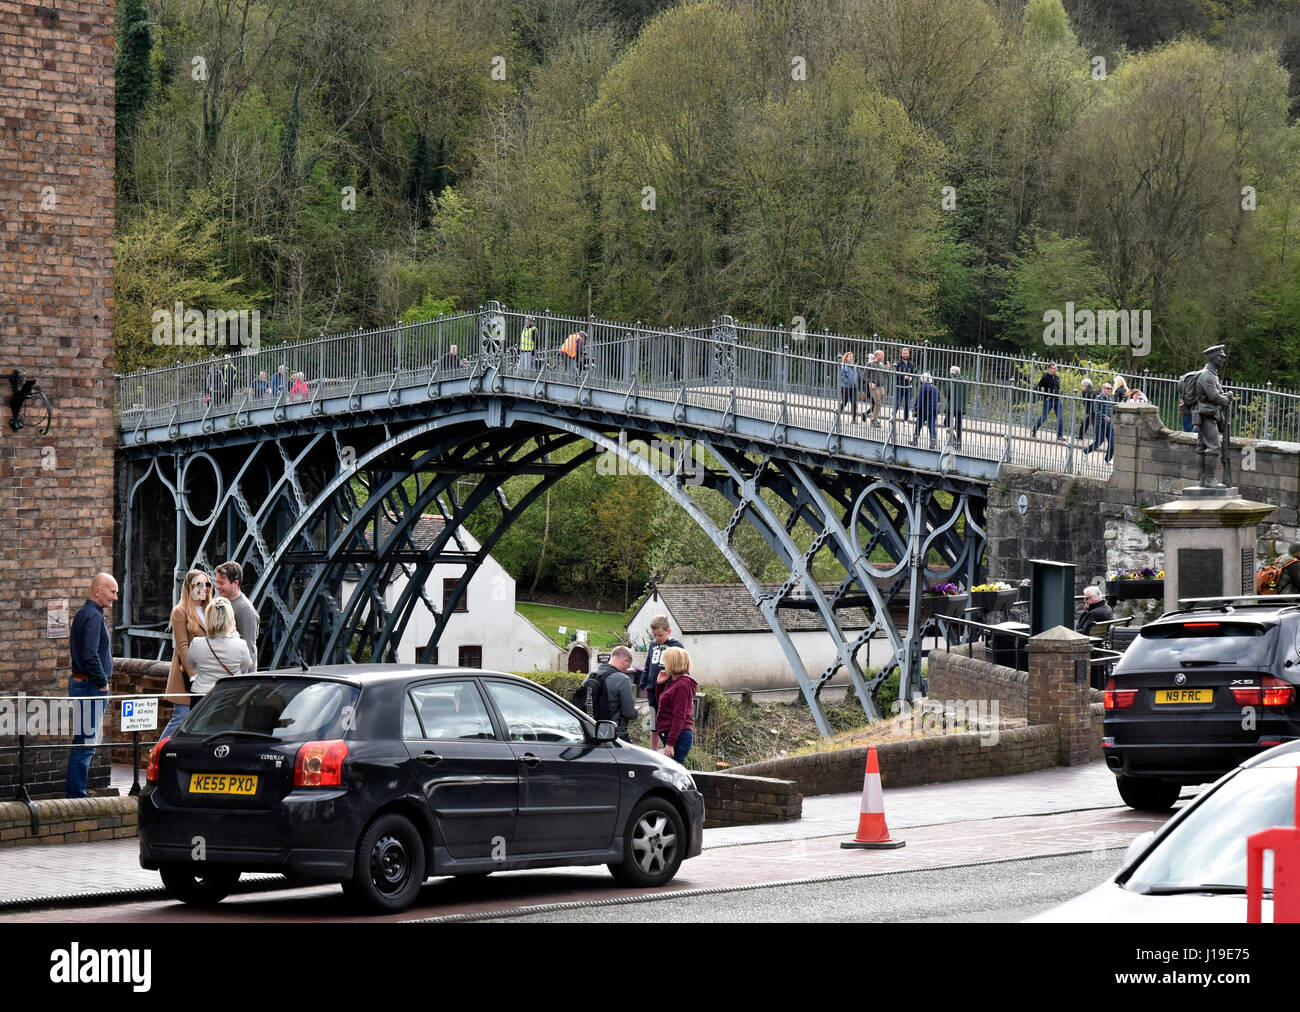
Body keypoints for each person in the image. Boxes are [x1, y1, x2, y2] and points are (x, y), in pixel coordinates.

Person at [66, 573, 117, 798]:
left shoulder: (84, 614)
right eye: (112, 591)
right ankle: (77, 795)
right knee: (85, 745)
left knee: (83, 741)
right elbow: (89, 654)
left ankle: (76, 792)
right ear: (98, 591)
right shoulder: (94, 616)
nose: (115, 597)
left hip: (83, 684)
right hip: (90, 687)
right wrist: (103, 683)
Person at [161, 569, 210, 739]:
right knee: (180, 717)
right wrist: (192, 675)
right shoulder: (180, 611)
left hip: (207, 672)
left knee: (202, 722)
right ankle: (157, 752)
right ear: (189, 587)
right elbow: (182, 646)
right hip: (186, 676)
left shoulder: (210, 609)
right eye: (199, 584)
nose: (204, 588)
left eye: (207, 584)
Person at [187, 597, 254, 698]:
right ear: (231, 619)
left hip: (201, 695)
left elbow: (191, 664)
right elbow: (246, 665)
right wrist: (234, 633)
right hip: (230, 694)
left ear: (208, 619)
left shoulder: (196, 644)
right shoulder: (241, 645)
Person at [1192, 344, 1233, 489]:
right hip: (1206, 415)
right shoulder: (1207, 375)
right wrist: (1227, 398)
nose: (1224, 359)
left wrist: (1224, 396)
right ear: (1213, 357)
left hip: (1209, 414)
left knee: (1203, 446)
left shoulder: (1212, 374)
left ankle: (1204, 480)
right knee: (1213, 447)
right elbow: (1215, 397)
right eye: (1221, 356)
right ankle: (1209, 480)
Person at [638, 615, 684, 735]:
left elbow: (683, 669)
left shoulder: (677, 646)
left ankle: (668, 748)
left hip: (668, 692)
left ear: (668, 632)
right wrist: (644, 685)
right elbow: (648, 665)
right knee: (654, 725)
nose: (657, 638)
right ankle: (654, 751)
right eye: (655, 635)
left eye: (660, 635)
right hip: (653, 691)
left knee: (667, 723)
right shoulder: (653, 645)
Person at [582, 646, 639, 741]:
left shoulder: (591, 676)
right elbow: (629, 713)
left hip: (592, 733)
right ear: (625, 660)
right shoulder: (623, 679)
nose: (626, 671)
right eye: (628, 667)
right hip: (615, 735)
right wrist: (636, 711)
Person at [655, 647, 698, 765]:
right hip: (673, 735)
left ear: (672, 663)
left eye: (666, 661)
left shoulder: (681, 686)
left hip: (678, 737)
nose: (663, 664)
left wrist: (670, 743)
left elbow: (679, 716)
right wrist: (659, 684)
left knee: (674, 774)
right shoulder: (674, 682)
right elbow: (662, 704)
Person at [215, 561, 259, 669]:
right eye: (217, 582)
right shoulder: (221, 602)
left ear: (235, 583)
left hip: (238, 678)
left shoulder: (245, 609)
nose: (217, 587)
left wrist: (239, 680)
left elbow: (248, 650)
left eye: (221, 583)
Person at [1031, 362, 1064, 441]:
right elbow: (1038, 388)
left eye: (1056, 368)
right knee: (1044, 417)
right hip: (1048, 401)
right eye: (1054, 368)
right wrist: (1045, 396)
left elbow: (1058, 388)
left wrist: (1059, 395)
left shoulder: (1057, 377)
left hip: (1057, 400)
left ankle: (1059, 435)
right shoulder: (1045, 377)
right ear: (1049, 369)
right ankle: (1034, 430)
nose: (1055, 369)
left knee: (1060, 418)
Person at [1084, 382, 1115, 462]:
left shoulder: (1110, 399)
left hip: (1109, 424)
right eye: (1108, 388)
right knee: (1099, 441)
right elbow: (1096, 410)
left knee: (1112, 443)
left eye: (1110, 389)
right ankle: (1085, 452)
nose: (1109, 390)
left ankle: (1108, 459)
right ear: (1103, 389)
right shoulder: (1098, 398)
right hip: (1100, 424)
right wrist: (1104, 416)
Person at [913, 371, 939, 447]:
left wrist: (916, 409)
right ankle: (933, 443)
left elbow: (920, 400)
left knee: (918, 425)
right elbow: (938, 399)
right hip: (933, 410)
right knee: (932, 426)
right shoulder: (935, 388)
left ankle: (915, 440)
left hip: (924, 409)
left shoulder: (923, 387)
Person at [944, 365, 967, 447]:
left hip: (952, 406)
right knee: (958, 425)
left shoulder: (951, 380)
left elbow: (947, 393)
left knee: (946, 423)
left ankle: (953, 439)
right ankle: (959, 443)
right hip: (961, 407)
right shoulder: (964, 381)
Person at [867, 350, 888, 428]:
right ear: (877, 355)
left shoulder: (882, 365)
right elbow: (864, 375)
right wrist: (870, 382)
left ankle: (875, 418)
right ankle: (874, 420)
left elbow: (885, 375)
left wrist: (887, 370)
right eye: (882, 355)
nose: (883, 357)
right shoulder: (870, 364)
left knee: (879, 404)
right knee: (878, 402)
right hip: (874, 387)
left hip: (881, 386)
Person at [893, 347, 916, 418]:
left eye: (906, 353)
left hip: (908, 387)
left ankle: (906, 419)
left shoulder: (911, 364)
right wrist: (903, 376)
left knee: (907, 404)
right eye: (904, 353)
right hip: (899, 386)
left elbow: (914, 373)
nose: (905, 355)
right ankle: (893, 416)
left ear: (908, 354)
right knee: (897, 403)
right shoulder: (897, 363)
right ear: (901, 354)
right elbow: (895, 373)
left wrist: (912, 378)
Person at [837, 351, 859, 422]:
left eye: (852, 357)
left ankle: (854, 419)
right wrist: (846, 382)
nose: (851, 358)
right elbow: (841, 376)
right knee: (844, 402)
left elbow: (858, 376)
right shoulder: (843, 366)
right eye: (849, 357)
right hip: (845, 387)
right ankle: (838, 414)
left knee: (854, 403)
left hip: (854, 387)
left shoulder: (854, 367)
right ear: (846, 358)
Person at [1076, 377, 1096, 441]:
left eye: (1083, 385)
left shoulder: (1085, 391)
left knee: (1091, 424)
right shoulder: (1095, 391)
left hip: (1090, 410)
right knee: (1088, 423)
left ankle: (1080, 436)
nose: (1082, 386)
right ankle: (1080, 435)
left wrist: (1087, 412)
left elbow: (1086, 402)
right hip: (1095, 409)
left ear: (1086, 384)